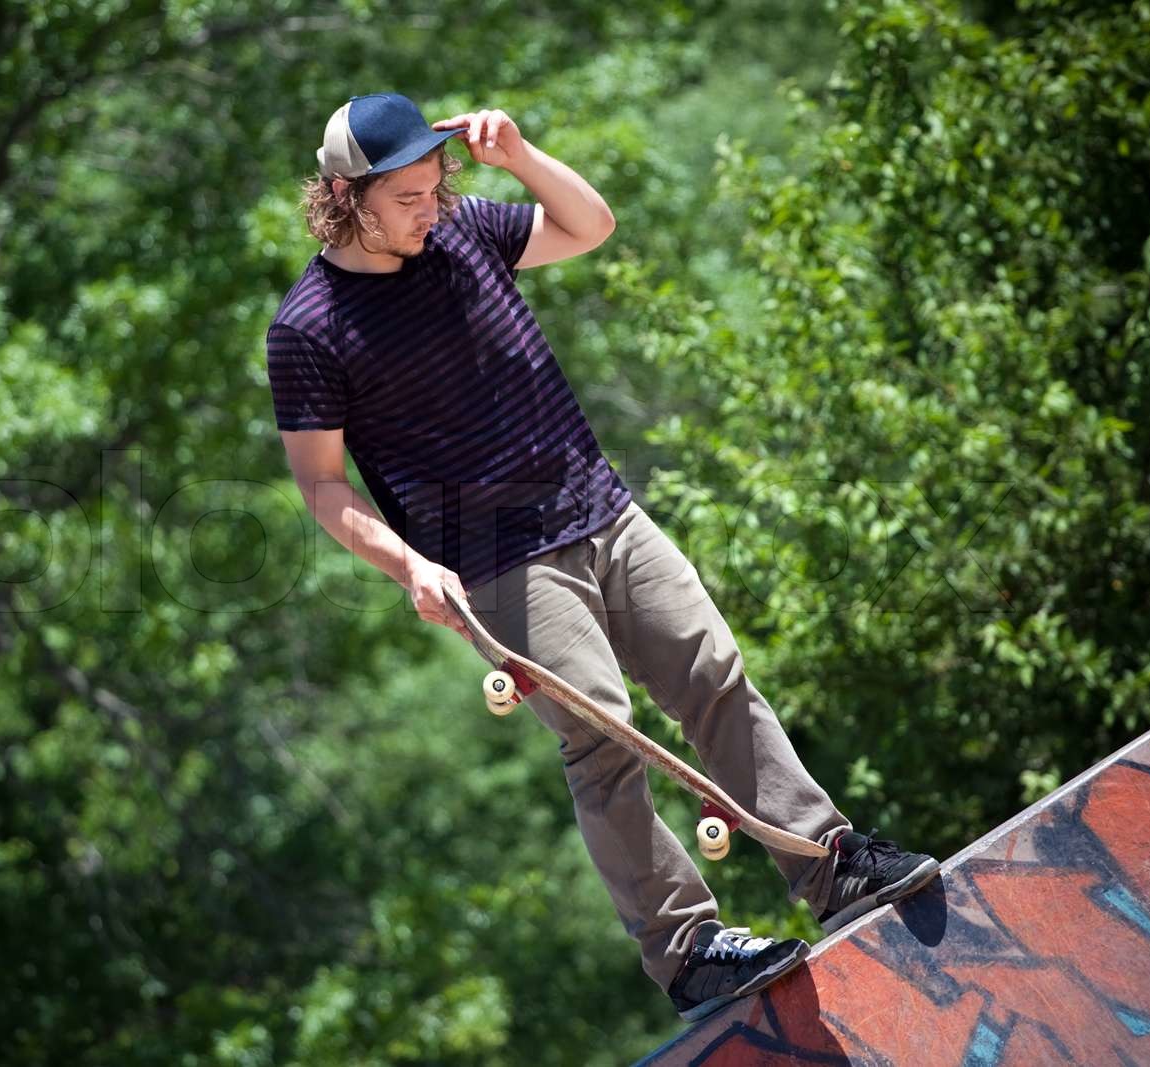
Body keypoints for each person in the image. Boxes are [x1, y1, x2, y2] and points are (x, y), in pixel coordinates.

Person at [264, 92, 940, 1022]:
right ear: (348, 196)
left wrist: (524, 156)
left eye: (435, 187)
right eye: (409, 198)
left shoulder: (463, 231)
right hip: (497, 562)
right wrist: (408, 565)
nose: (431, 208)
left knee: (713, 672)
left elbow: (589, 225)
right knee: (603, 733)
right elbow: (323, 487)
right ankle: (688, 947)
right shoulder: (309, 327)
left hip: (601, 507)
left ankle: (830, 864)